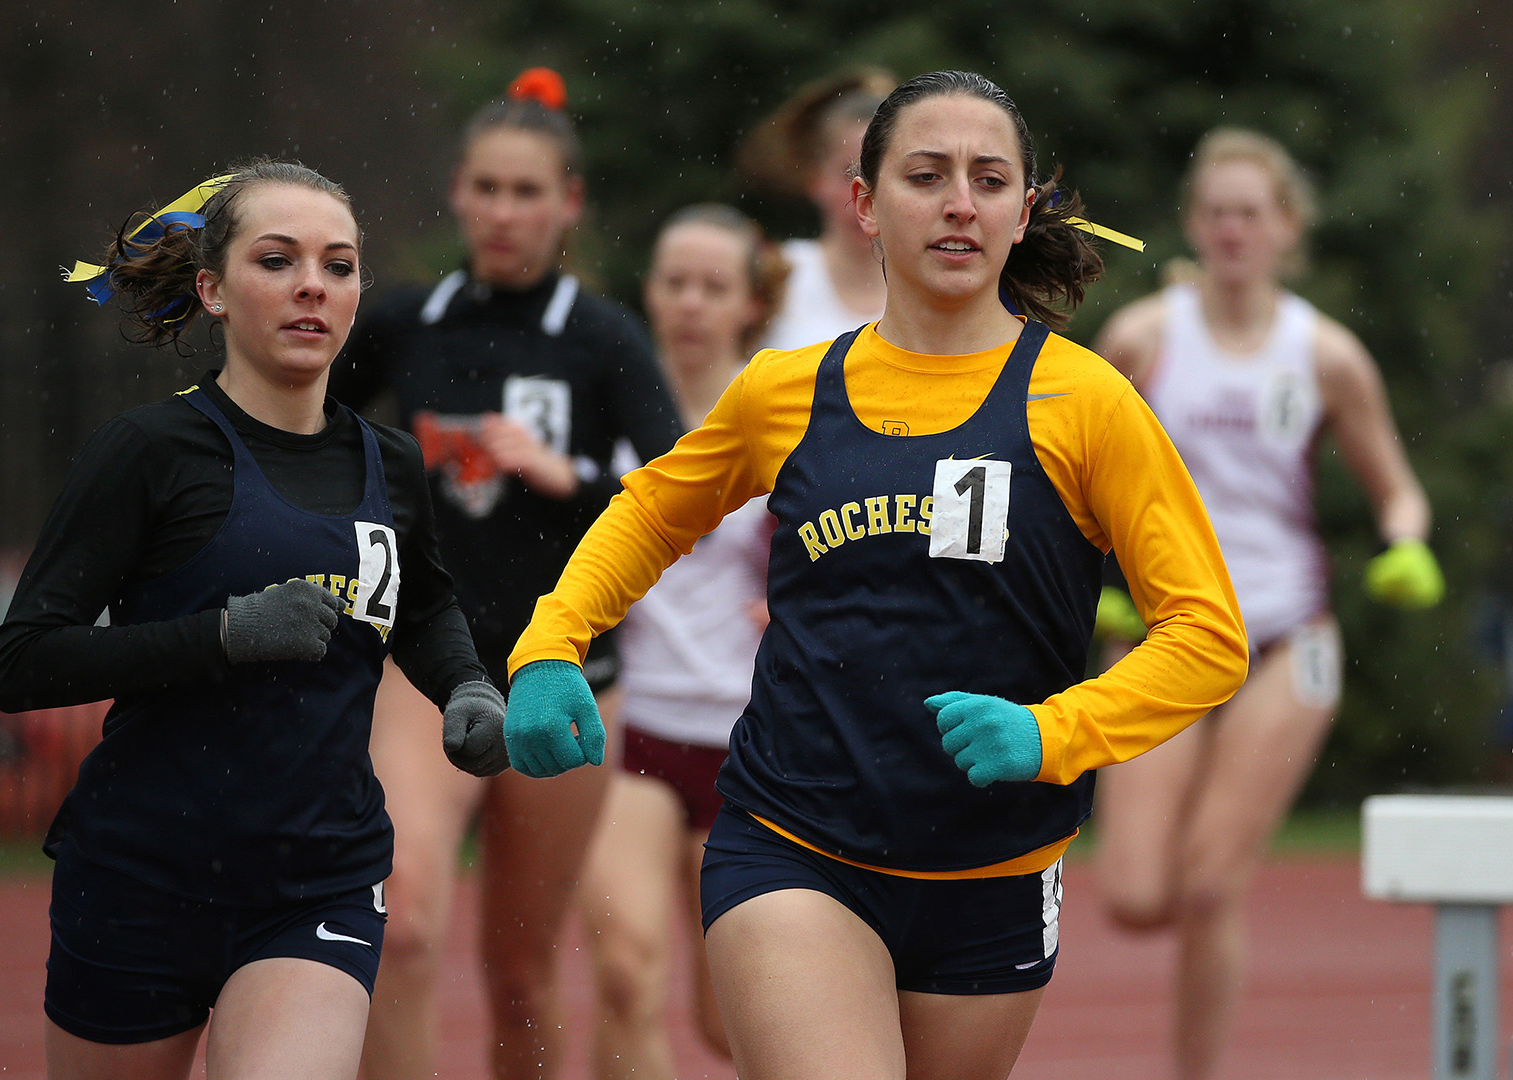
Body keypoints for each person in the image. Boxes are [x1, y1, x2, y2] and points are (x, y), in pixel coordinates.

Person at [502, 70, 1251, 1080]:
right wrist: (551, 645)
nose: (957, 203)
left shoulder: (1088, 404)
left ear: (1022, 211)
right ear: (863, 203)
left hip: (994, 872)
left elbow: (1209, 637)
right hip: (793, 840)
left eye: (989, 180)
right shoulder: (785, 389)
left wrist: (1054, 732)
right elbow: (646, 512)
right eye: (925, 175)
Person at [0, 160, 505, 1080]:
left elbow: (421, 605)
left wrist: (467, 685)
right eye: (278, 260)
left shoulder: (390, 462)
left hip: (321, 877)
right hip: (142, 879)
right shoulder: (148, 452)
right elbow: (23, 663)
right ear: (212, 291)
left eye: (339, 266)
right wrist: (222, 637)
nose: (314, 284)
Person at [327, 68, 683, 1080]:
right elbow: (302, 426)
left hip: (562, 670)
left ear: (568, 201)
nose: (503, 211)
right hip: (424, 662)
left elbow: (673, 492)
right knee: (400, 926)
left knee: (522, 972)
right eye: (486, 187)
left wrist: (561, 472)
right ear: (458, 190)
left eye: (527, 191)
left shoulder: (603, 338)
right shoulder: (405, 322)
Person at [1088, 127, 1445, 1080]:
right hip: (1166, 628)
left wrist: (1405, 544)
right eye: (1217, 212)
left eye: (1252, 213)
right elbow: (1071, 466)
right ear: (1193, 224)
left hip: (1286, 639)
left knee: (1209, 888)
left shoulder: (1324, 354)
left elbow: (1397, 488)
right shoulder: (1143, 339)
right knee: (1130, 896)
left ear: (1288, 228)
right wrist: (1099, 574)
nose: (1233, 230)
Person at [577, 204, 788, 1080]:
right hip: (630, 724)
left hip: (751, 743)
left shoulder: (782, 410)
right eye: (675, 282)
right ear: (649, 293)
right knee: (625, 974)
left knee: (731, 1019)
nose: (691, 302)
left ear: (749, 304)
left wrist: (798, 605)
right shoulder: (607, 406)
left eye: (714, 286)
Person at [736, 67, 893, 351]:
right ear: (814, 179)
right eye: (849, 174)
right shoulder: (778, 276)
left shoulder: (933, 282)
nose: (864, 195)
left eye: (878, 174)